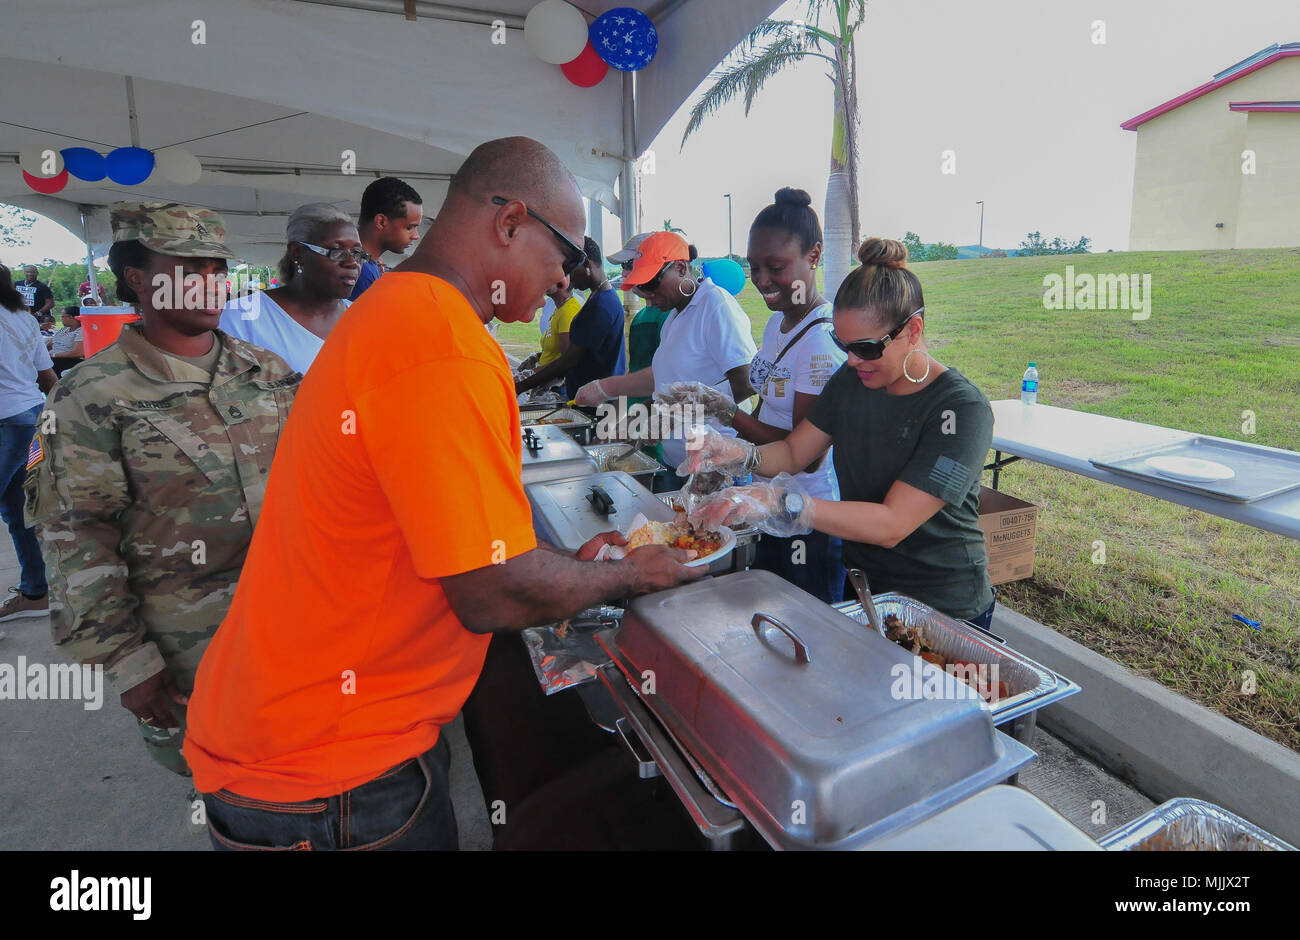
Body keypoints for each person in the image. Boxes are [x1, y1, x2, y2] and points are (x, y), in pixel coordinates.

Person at [183, 136, 702, 851]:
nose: (563, 282)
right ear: (509, 221)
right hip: (334, 769)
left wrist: (571, 570)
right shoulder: (442, 341)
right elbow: (490, 590)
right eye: (563, 256)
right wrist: (629, 573)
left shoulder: (400, 308)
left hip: (301, 738)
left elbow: (448, 541)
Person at [22, 202, 301, 775]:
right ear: (137, 278)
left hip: (297, 625)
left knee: (309, 774)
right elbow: (75, 535)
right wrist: (127, 663)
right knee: (229, 784)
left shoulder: (267, 371)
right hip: (190, 645)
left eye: (216, 267)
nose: (210, 283)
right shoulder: (89, 394)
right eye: (188, 267)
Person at [683, 237, 998, 628]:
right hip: (865, 588)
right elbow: (797, 452)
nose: (851, 360)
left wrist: (785, 503)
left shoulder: (960, 409)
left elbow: (892, 524)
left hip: (941, 604)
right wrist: (738, 454)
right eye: (842, 344)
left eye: (866, 347)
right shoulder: (852, 379)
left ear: (913, 330)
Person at [660, 189, 847, 603]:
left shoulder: (820, 342)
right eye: (754, 266)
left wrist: (728, 417)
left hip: (807, 513)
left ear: (814, 256)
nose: (762, 280)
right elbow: (766, 406)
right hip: (767, 502)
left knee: (806, 631)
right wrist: (732, 466)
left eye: (775, 266)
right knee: (763, 615)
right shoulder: (777, 326)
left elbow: (806, 451)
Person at [573, 231, 757, 486]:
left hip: (715, 467)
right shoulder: (673, 318)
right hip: (678, 463)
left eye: (651, 284)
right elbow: (672, 383)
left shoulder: (715, 305)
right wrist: (642, 415)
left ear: (681, 268)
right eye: (641, 287)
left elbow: (746, 383)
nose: (646, 294)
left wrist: (675, 413)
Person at [219, 203, 361, 373]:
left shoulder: (362, 318)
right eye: (336, 251)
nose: (352, 262)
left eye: (357, 252)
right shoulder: (242, 318)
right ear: (297, 252)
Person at [0, 263, 57, 623]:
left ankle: (37, 590)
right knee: (20, 511)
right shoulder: (22, 317)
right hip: (28, 415)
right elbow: (46, 373)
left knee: (21, 511)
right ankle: (36, 591)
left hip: (5, 420)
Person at [515, 237, 626, 400]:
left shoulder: (601, 306)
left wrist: (520, 386)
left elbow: (567, 361)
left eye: (571, 269)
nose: (568, 277)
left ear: (587, 264)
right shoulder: (600, 297)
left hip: (596, 404)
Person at [610, 233, 673, 409]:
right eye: (623, 266)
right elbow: (636, 369)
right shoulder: (640, 316)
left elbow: (666, 377)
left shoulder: (669, 316)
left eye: (629, 265)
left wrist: (605, 388)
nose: (623, 273)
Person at [349, 176, 424, 301]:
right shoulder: (361, 272)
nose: (416, 236)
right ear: (381, 222)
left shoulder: (365, 266)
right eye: (410, 227)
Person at [49, 306, 84, 377]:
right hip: (53, 357)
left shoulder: (81, 331)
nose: (61, 319)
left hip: (66, 360)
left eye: (62, 316)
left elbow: (78, 353)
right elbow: (50, 344)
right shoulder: (63, 329)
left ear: (71, 317)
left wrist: (53, 355)